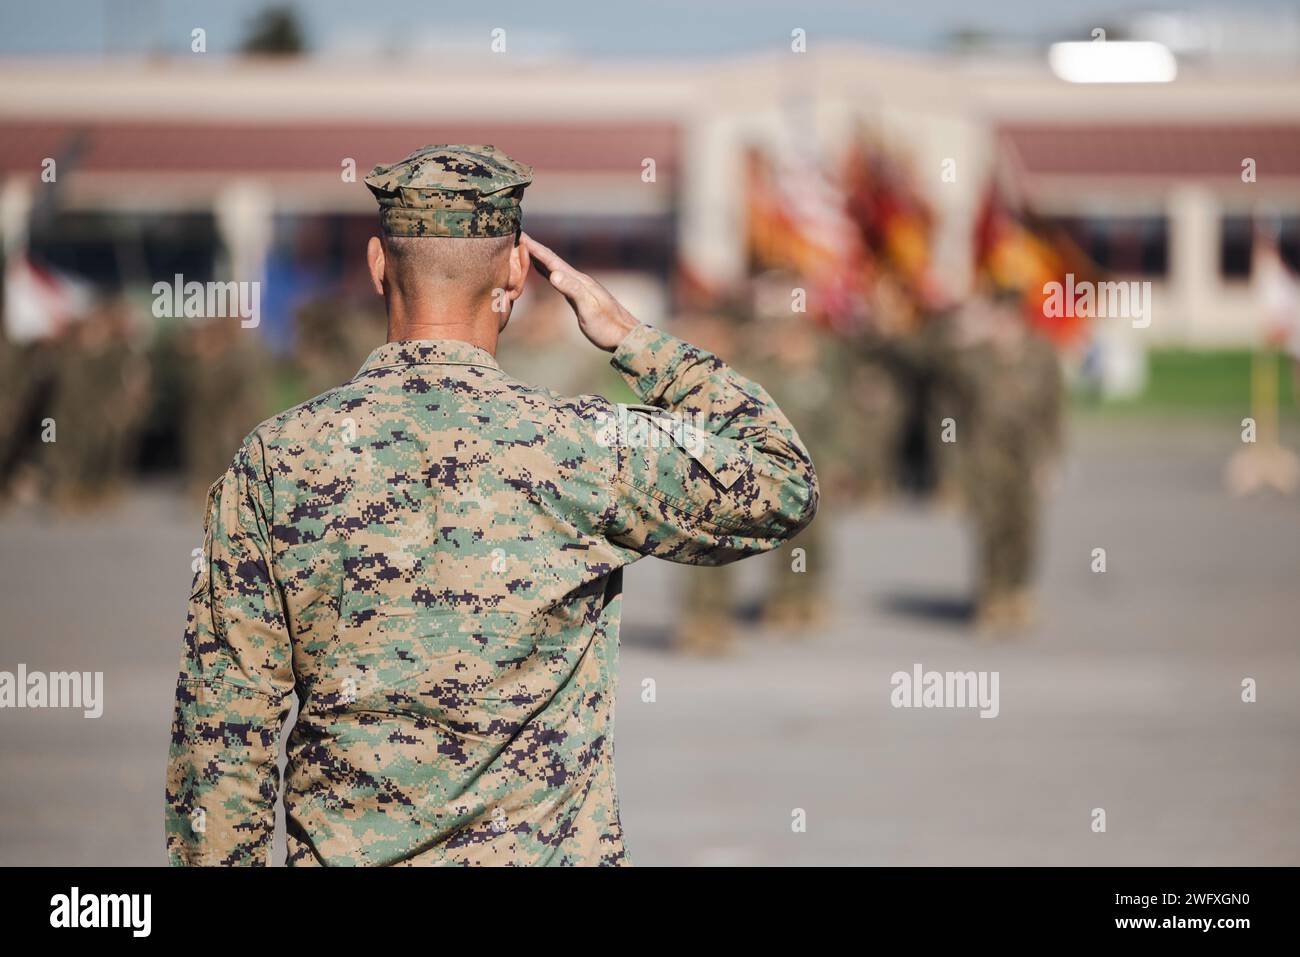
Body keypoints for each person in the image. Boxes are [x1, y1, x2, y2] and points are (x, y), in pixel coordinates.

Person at [165, 145, 818, 866]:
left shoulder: (277, 459)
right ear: (516, 271)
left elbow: (222, 740)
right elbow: (782, 478)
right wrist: (635, 340)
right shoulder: (583, 446)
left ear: (379, 264)